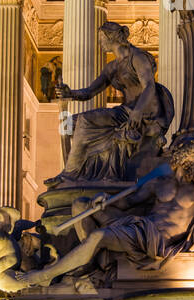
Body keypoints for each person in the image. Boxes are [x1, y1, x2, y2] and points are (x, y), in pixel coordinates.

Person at [20, 143, 194, 285]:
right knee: (81, 205)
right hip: (141, 226)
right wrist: (104, 198)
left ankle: (47, 274)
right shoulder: (159, 182)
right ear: (177, 159)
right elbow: (128, 202)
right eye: (190, 158)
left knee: (97, 236)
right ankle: (88, 262)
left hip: (155, 240)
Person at [47, 22, 173, 185]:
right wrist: (70, 93)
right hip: (125, 111)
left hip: (144, 113)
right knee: (71, 123)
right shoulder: (111, 67)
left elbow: (149, 86)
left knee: (85, 121)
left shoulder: (137, 57)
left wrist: (138, 112)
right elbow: (90, 92)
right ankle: (83, 173)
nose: (100, 42)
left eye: (101, 38)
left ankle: (69, 174)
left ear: (111, 37)